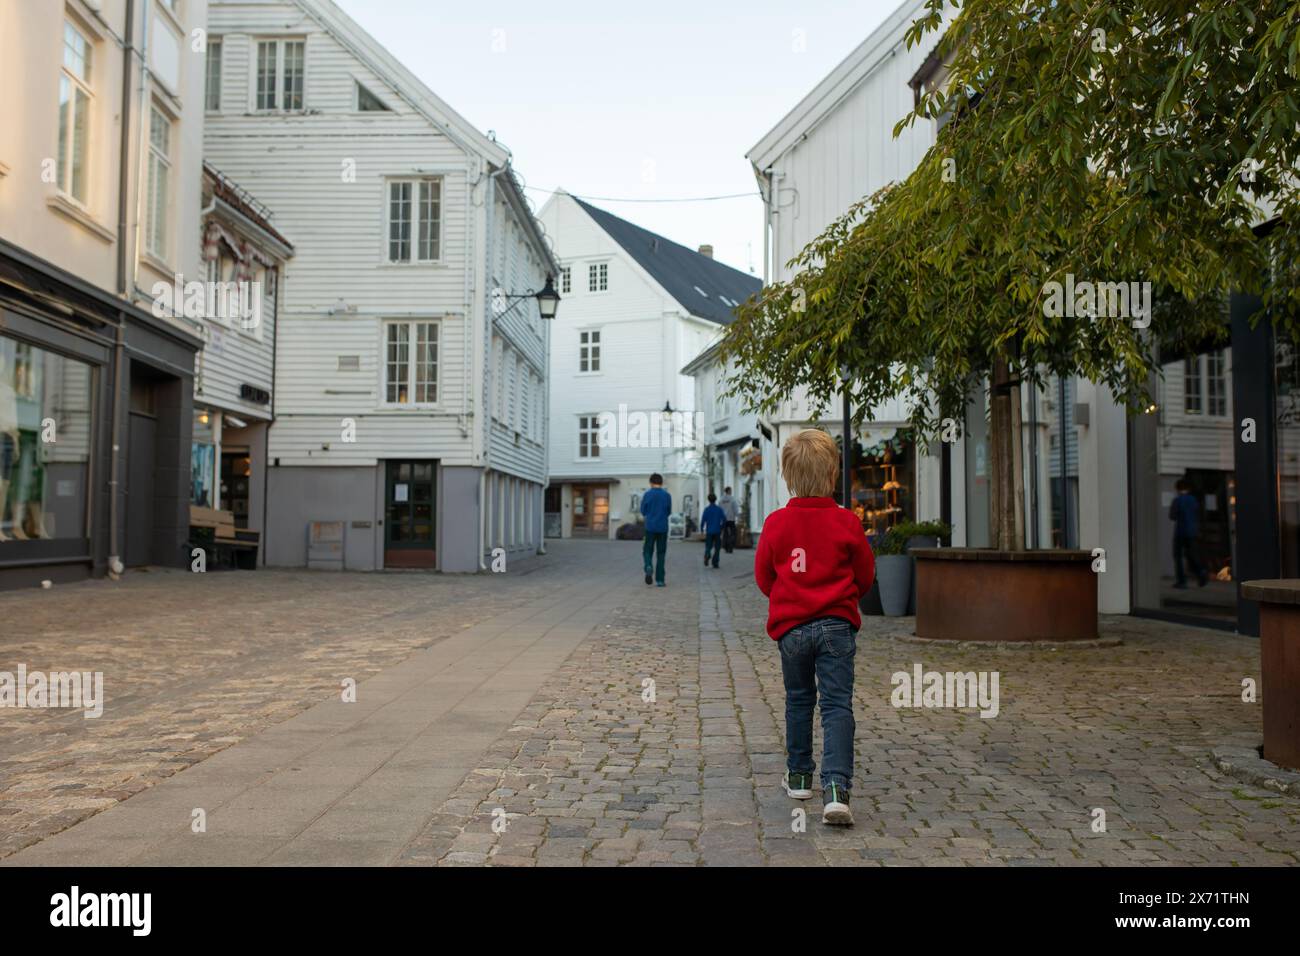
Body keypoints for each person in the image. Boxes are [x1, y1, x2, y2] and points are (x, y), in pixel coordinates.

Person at [756, 429, 875, 826]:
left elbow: (763, 578)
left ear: (788, 476)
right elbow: (865, 575)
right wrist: (842, 597)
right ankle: (837, 790)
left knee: (799, 700)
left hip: (792, 629)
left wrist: (789, 597)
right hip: (837, 627)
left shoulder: (775, 523)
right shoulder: (846, 522)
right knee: (837, 705)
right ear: (832, 474)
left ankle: (800, 774)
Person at [1170, 478, 1208, 589]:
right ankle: (1200, 572)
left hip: (1180, 531)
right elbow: (1199, 514)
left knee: (1178, 556)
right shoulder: (1193, 500)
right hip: (1192, 531)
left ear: (1178, 488)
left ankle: (1182, 581)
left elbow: (1172, 516)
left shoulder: (1177, 500)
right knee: (1191, 555)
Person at [640, 473, 671, 587]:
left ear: (651, 482)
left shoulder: (647, 494)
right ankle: (660, 580)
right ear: (661, 483)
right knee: (661, 553)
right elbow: (668, 512)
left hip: (650, 527)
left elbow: (643, 511)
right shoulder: (667, 495)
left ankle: (648, 566)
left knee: (647, 550)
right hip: (663, 527)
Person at [700, 493, 726, 569]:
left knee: (708, 546)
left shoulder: (707, 509)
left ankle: (707, 554)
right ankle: (715, 562)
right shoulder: (719, 509)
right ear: (715, 499)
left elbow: (703, 520)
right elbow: (724, 519)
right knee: (717, 548)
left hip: (709, 531)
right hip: (717, 530)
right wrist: (722, 527)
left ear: (708, 500)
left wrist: (702, 529)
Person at [718, 486, 738, 552]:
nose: (731, 492)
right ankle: (730, 547)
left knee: (725, 533)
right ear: (729, 491)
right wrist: (736, 515)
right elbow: (735, 508)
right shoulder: (732, 499)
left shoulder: (721, 499)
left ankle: (725, 546)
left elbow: (719, 509)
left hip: (724, 519)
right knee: (732, 533)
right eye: (730, 490)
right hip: (731, 518)